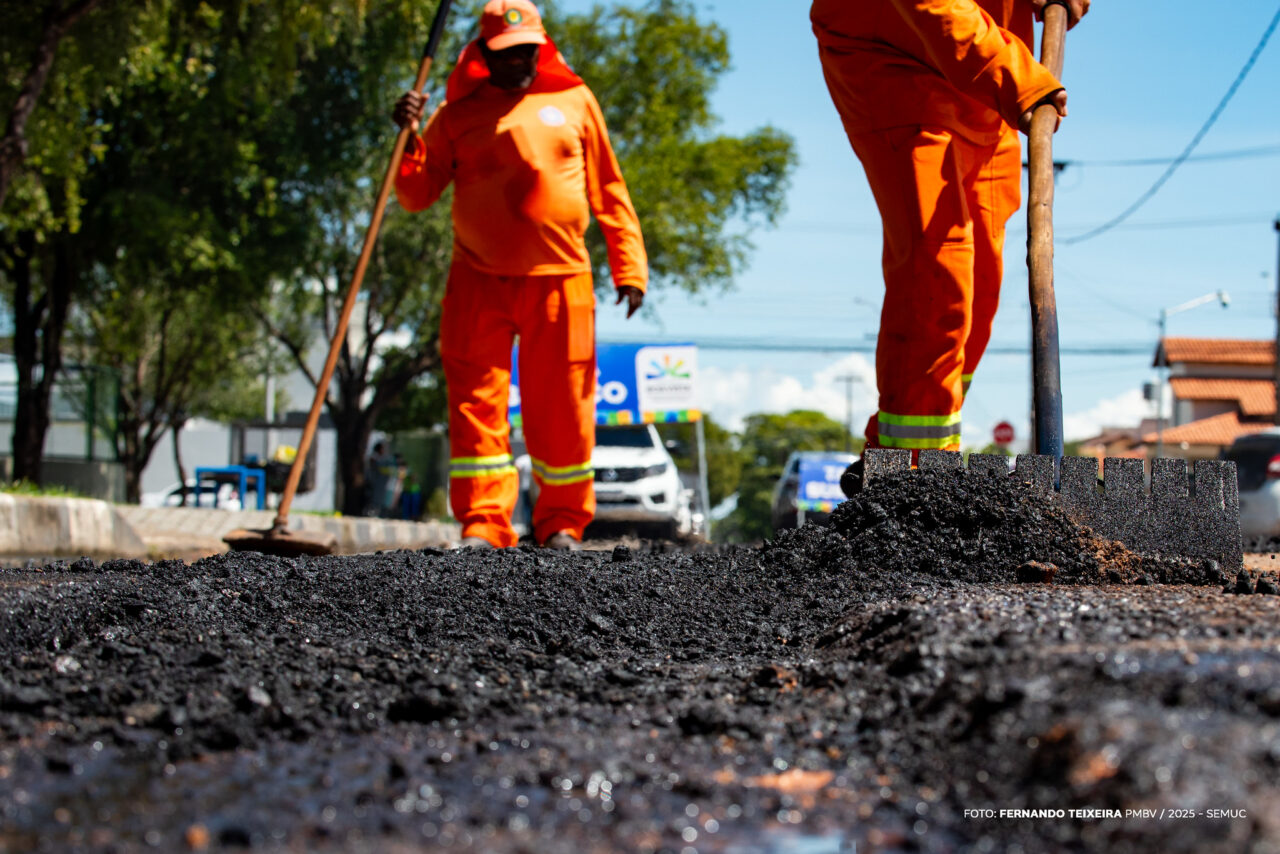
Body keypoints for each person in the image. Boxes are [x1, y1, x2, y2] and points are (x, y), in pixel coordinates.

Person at [392, 0, 648, 550]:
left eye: (528, 49)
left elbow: (610, 189)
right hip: (477, 280)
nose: (520, 61)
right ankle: (484, 523)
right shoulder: (456, 115)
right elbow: (415, 195)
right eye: (507, 54)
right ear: (483, 55)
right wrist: (408, 139)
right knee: (475, 406)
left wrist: (629, 265)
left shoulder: (575, 100)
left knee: (562, 408)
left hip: (562, 279)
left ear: (542, 45)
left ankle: (560, 524)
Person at [811, 0, 1089, 491]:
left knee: (982, 282)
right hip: (893, 52)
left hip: (985, 78)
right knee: (940, 265)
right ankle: (905, 476)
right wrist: (1014, 76)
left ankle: (921, 455)